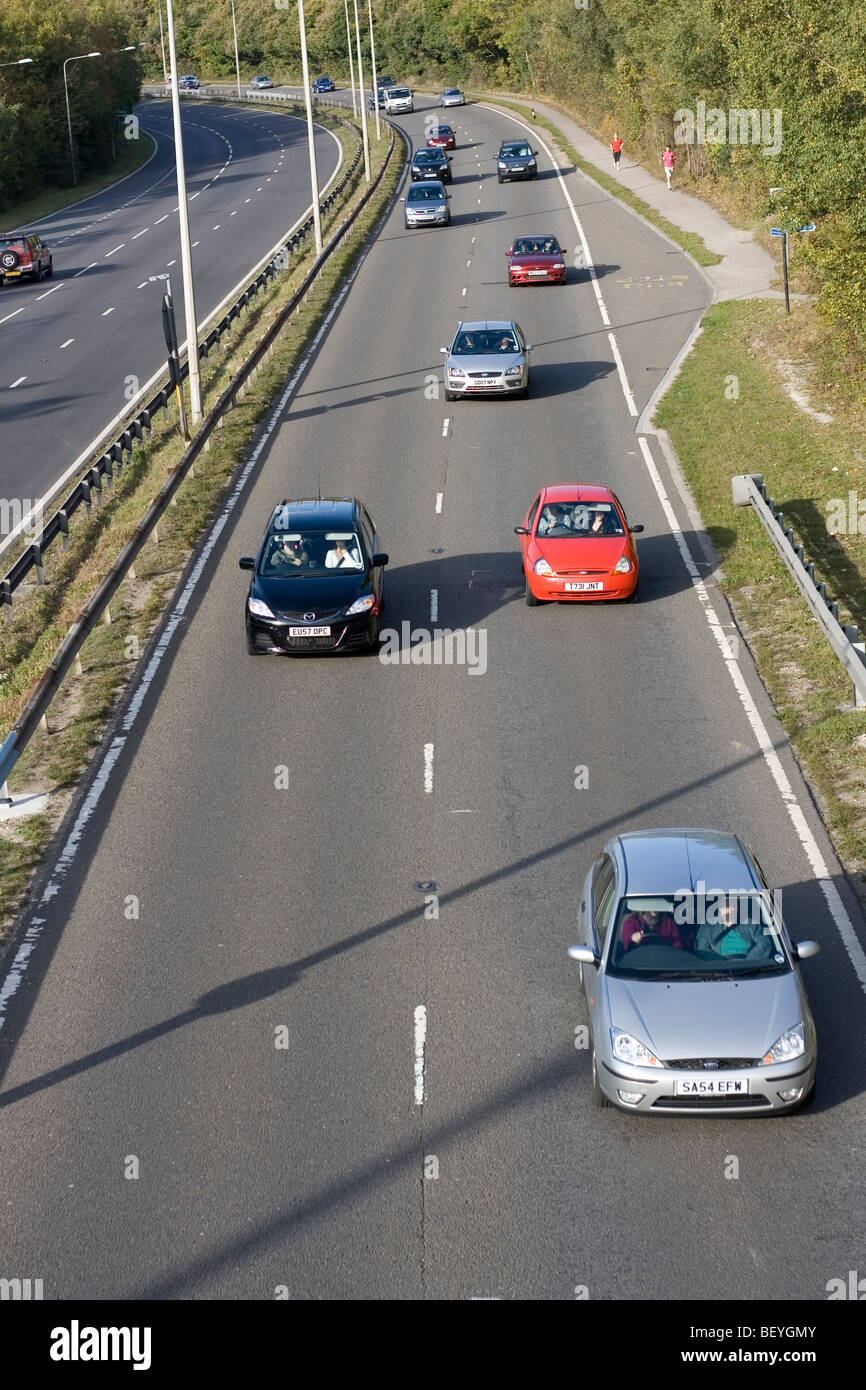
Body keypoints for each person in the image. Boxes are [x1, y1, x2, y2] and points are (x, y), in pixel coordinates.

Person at [695, 899, 775, 959]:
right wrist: (718, 965)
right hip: (719, 970)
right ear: (719, 907)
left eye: (734, 905)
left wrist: (748, 963)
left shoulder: (750, 923)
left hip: (749, 969)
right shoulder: (709, 926)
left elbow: (764, 944)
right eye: (727, 905)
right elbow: (701, 949)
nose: (731, 909)